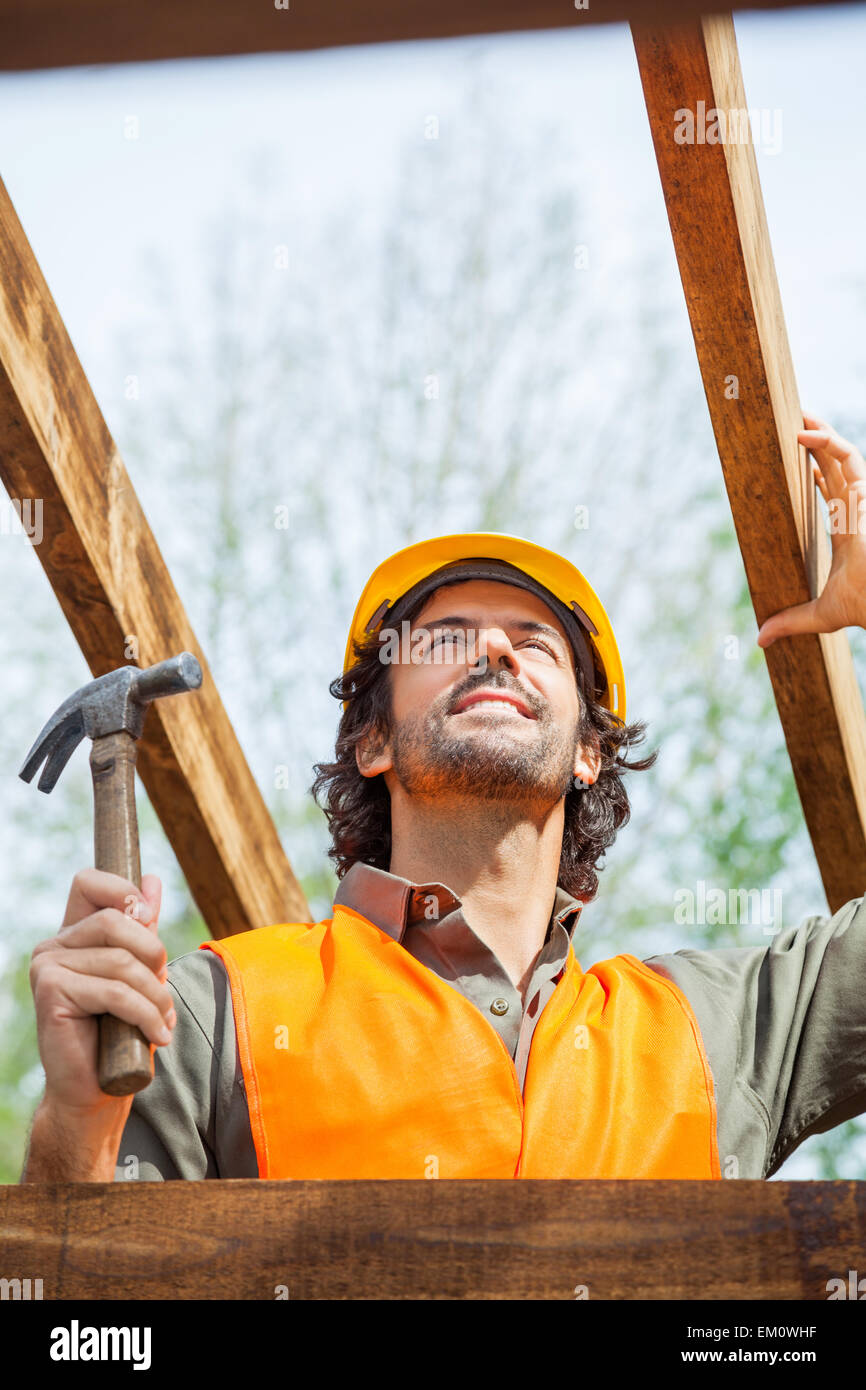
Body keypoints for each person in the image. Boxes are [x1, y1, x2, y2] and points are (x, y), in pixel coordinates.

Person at [21, 413, 866, 1182]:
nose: (494, 646)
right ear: (373, 740)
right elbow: (89, 1332)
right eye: (446, 638)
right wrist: (78, 1127)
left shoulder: (716, 1031)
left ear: (588, 754)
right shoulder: (211, 1012)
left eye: (536, 642)